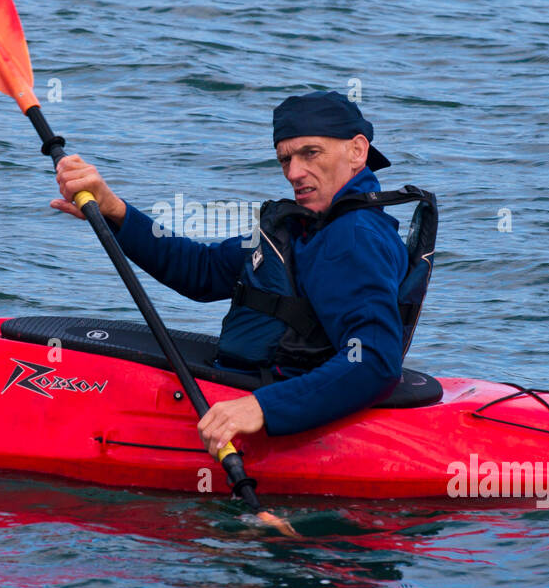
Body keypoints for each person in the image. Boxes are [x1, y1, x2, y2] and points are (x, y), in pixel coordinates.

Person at [52, 91, 422, 458]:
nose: (294, 172)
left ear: (357, 151)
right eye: (285, 159)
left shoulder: (354, 238)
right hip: (262, 382)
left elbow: (374, 360)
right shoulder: (309, 226)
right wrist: (115, 210)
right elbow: (201, 271)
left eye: (310, 153)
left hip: (280, 402)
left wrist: (260, 408)